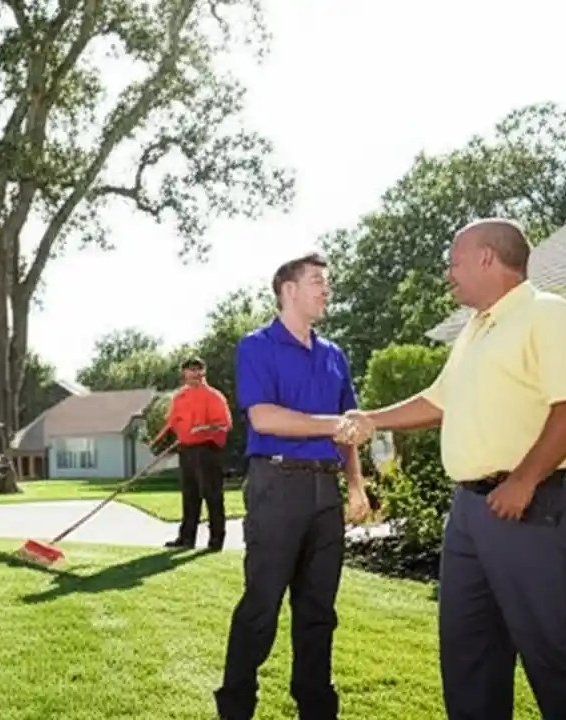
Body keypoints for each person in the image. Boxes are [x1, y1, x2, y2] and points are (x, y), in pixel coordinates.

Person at [345, 219, 566, 720]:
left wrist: (523, 479)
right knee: (469, 653)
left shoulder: (550, 315)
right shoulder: (476, 330)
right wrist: (372, 419)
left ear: (487, 259)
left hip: (530, 505)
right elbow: (438, 400)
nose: (448, 274)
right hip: (471, 513)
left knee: (556, 651)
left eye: (454, 262)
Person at [213, 251, 370, 720]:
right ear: (289, 290)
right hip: (276, 486)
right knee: (262, 606)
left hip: (325, 493)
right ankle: (236, 708)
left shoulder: (333, 355)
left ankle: (318, 710)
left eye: (328, 282)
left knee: (319, 610)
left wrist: (356, 486)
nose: (327, 290)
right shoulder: (256, 346)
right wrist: (334, 425)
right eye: (318, 281)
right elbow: (264, 417)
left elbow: (351, 431)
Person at [149, 356, 232, 551]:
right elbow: (172, 423)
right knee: (190, 496)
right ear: (184, 374)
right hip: (186, 450)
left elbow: (225, 425)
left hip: (208, 449)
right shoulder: (179, 397)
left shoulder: (214, 396)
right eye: (191, 370)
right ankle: (186, 538)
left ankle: (216, 540)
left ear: (204, 372)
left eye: (198, 370)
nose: (195, 374)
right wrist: (158, 442)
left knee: (212, 495)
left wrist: (204, 427)